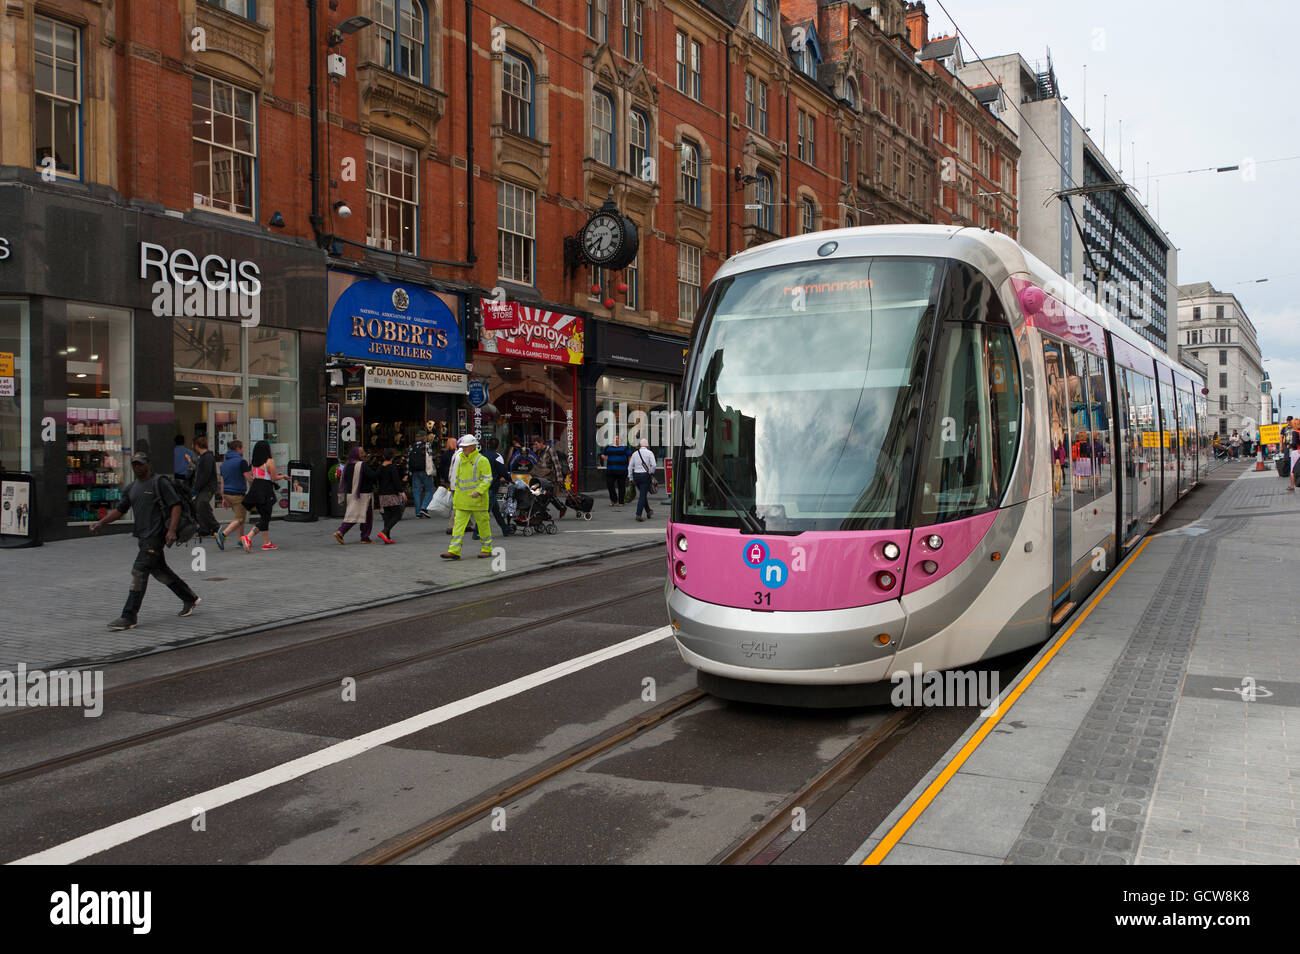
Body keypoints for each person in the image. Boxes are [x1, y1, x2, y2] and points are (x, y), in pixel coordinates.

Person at [90, 452, 200, 630]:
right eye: (134, 464)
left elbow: (176, 505)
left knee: (139, 572)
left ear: (148, 464)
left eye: (140, 464)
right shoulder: (132, 488)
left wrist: (171, 530)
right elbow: (120, 510)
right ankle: (190, 598)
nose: (137, 467)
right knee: (161, 572)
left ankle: (129, 616)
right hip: (142, 537)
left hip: (156, 537)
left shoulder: (160, 483)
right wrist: (101, 523)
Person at [441, 434, 494, 560]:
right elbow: (458, 478)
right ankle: (454, 550)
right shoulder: (460, 458)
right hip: (463, 500)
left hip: (477, 500)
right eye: (462, 446)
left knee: (482, 525)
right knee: (458, 526)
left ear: (473, 446)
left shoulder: (482, 460)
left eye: (466, 447)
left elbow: (487, 478)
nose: (463, 449)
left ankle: (486, 549)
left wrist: (479, 491)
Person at [240, 440, 282, 551]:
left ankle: (266, 542)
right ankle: (248, 537)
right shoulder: (269, 461)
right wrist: (283, 476)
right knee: (266, 517)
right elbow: (273, 477)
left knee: (264, 515)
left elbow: (257, 476)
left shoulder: (254, 463)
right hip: (265, 490)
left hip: (255, 490)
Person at [334, 445, 377, 543]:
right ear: (356, 454)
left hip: (351, 494)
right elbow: (372, 476)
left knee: (354, 514)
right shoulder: (362, 465)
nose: (364, 454)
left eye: (363, 452)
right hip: (364, 495)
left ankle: (362, 537)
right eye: (361, 453)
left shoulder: (347, 465)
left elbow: (345, 480)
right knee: (365, 516)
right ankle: (342, 532)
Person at [216, 439, 250, 551]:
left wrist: (223, 497)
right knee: (240, 519)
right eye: (242, 448)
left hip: (227, 494)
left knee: (240, 516)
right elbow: (248, 478)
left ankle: (241, 540)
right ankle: (223, 535)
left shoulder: (224, 464)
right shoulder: (241, 462)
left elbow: (222, 481)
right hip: (237, 494)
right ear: (238, 449)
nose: (243, 450)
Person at [484, 436, 514, 537]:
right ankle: (477, 532)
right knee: (486, 511)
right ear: (498, 446)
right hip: (493, 485)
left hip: (483, 485)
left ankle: (505, 529)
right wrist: (510, 479)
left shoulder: (483, 456)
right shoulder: (497, 456)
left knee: (495, 510)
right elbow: (503, 472)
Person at [191, 436, 220, 537]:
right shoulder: (203, 457)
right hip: (204, 487)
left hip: (207, 487)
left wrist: (196, 488)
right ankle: (205, 528)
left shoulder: (207, 457)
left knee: (202, 504)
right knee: (199, 506)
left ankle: (214, 526)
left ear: (197, 446)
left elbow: (205, 475)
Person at [376, 448, 406, 544]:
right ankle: (384, 532)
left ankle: (387, 537)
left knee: (387, 516)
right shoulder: (392, 467)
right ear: (392, 457)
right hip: (391, 494)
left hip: (382, 494)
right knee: (397, 514)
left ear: (383, 456)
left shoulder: (380, 467)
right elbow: (396, 481)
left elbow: (376, 478)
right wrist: (401, 491)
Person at [408, 429, 435, 518]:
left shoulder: (411, 446)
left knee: (416, 491)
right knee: (430, 490)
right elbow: (430, 457)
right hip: (425, 471)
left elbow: (408, 460)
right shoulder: (427, 445)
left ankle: (417, 512)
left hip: (415, 472)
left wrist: (408, 472)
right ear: (424, 437)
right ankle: (424, 508)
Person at [628, 438, 657, 522]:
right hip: (645, 476)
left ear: (640, 445)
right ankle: (638, 514)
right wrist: (651, 473)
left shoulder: (635, 453)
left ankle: (648, 511)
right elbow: (654, 465)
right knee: (642, 495)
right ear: (647, 445)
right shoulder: (649, 453)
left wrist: (630, 477)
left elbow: (630, 466)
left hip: (636, 475)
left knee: (642, 494)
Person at [601, 436, 630, 508]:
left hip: (622, 470)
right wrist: (603, 456)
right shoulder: (608, 447)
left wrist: (629, 466)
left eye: (618, 438)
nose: (616, 440)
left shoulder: (625, 447)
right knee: (610, 485)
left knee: (621, 486)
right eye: (615, 438)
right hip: (611, 470)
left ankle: (621, 502)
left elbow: (629, 456)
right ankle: (613, 499)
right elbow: (602, 453)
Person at [438, 436, 459, 535]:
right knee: (457, 502)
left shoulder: (445, 454)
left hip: (448, 479)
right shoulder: (457, 454)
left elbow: (441, 467)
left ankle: (468, 524)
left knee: (456, 500)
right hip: (455, 480)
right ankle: (451, 525)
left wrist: (444, 478)